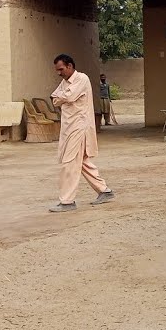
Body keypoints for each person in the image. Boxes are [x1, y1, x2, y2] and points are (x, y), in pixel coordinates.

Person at [49, 54, 114, 212]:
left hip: (79, 127)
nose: (59, 73)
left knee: (70, 163)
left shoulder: (82, 79)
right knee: (82, 162)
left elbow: (68, 97)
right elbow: (54, 99)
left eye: (61, 69)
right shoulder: (64, 82)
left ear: (70, 66)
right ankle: (105, 191)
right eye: (57, 70)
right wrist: (63, 97)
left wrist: (63, 97)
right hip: (69, 127)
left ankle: (67, 201)